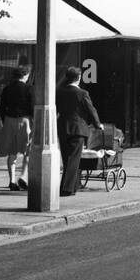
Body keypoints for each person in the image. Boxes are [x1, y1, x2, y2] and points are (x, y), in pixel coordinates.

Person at [55, 65, 102, 197]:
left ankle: (74, 186)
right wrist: (98, 124)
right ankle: (66, 188)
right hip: (78, 129)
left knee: (67, 158)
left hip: (63, 127)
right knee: (73, 159)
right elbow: (91, 110)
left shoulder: (59, 91)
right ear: (79, 78)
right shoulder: (82, 93)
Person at [0, 65, 34, 192]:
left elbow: (1, 108)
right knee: (28, 151)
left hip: (9, 120)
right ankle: (23, 177)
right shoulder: (29, 89)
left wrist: (5, 120)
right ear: (26, 75)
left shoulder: (7, 89)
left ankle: (12, 180)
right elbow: (32, 107)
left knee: (12, 152)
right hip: (25, 121)